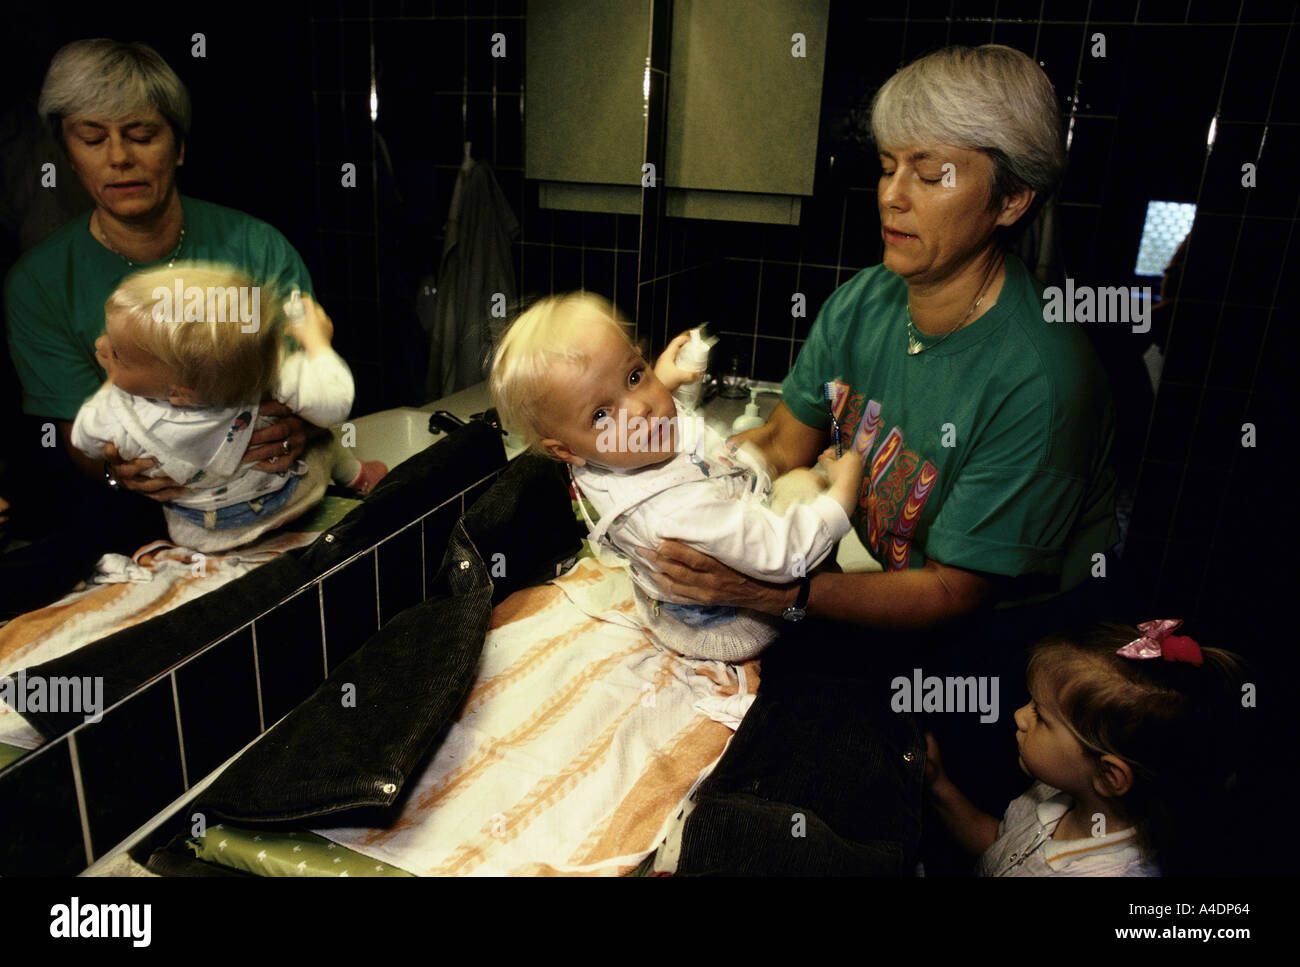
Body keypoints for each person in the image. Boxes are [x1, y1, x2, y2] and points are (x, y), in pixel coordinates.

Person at [638, 45, 1124, 871]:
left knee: (925, 825)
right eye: (890, 165)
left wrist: (768, 589)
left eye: (932, 173)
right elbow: (782, 443)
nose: (893, 195)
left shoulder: (1043, 380)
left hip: (1004, 655)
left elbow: (952, 591)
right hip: (873, 593)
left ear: (1011, 200)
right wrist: (677, 471)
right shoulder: (863, 301)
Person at [1, 39, 321, 610]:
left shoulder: (256, 247)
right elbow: (74, 435)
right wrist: (114, 468)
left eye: (142, 134)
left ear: (177, 146)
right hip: (137, 525)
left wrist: (307, 428)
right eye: (93, 138)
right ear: (69, 155)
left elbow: (314, 375)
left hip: (271, 497)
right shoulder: (40, 283)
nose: (119, 157)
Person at [489, 292, 864, 662]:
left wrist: (662, 380)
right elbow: (783, 554)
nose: (641, 408)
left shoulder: (598, 451)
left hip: (669, 607)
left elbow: (623, 411)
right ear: (566, 451)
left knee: (768, 470)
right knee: (811, 488)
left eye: (635, 375)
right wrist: (842, 498)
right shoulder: (674, 509)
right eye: (601, 414)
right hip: (734, 626)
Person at [70, 263, 386, 552]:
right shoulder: (269, 375)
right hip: (292, 497)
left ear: (180, 393)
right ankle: (358, 477)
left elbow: (84, 441)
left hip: (204, 532)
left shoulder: (116, 415)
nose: (99, 347)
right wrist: (316, 344)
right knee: (321, 429)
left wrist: (112, 385)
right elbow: (335, 403)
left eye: (116, 352)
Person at [925, 620, 1244, 876]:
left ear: (1108, 775)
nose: (1019, 716)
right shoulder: (1051, 792)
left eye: (1041, 716)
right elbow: (1003, 850)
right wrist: (940, 786)